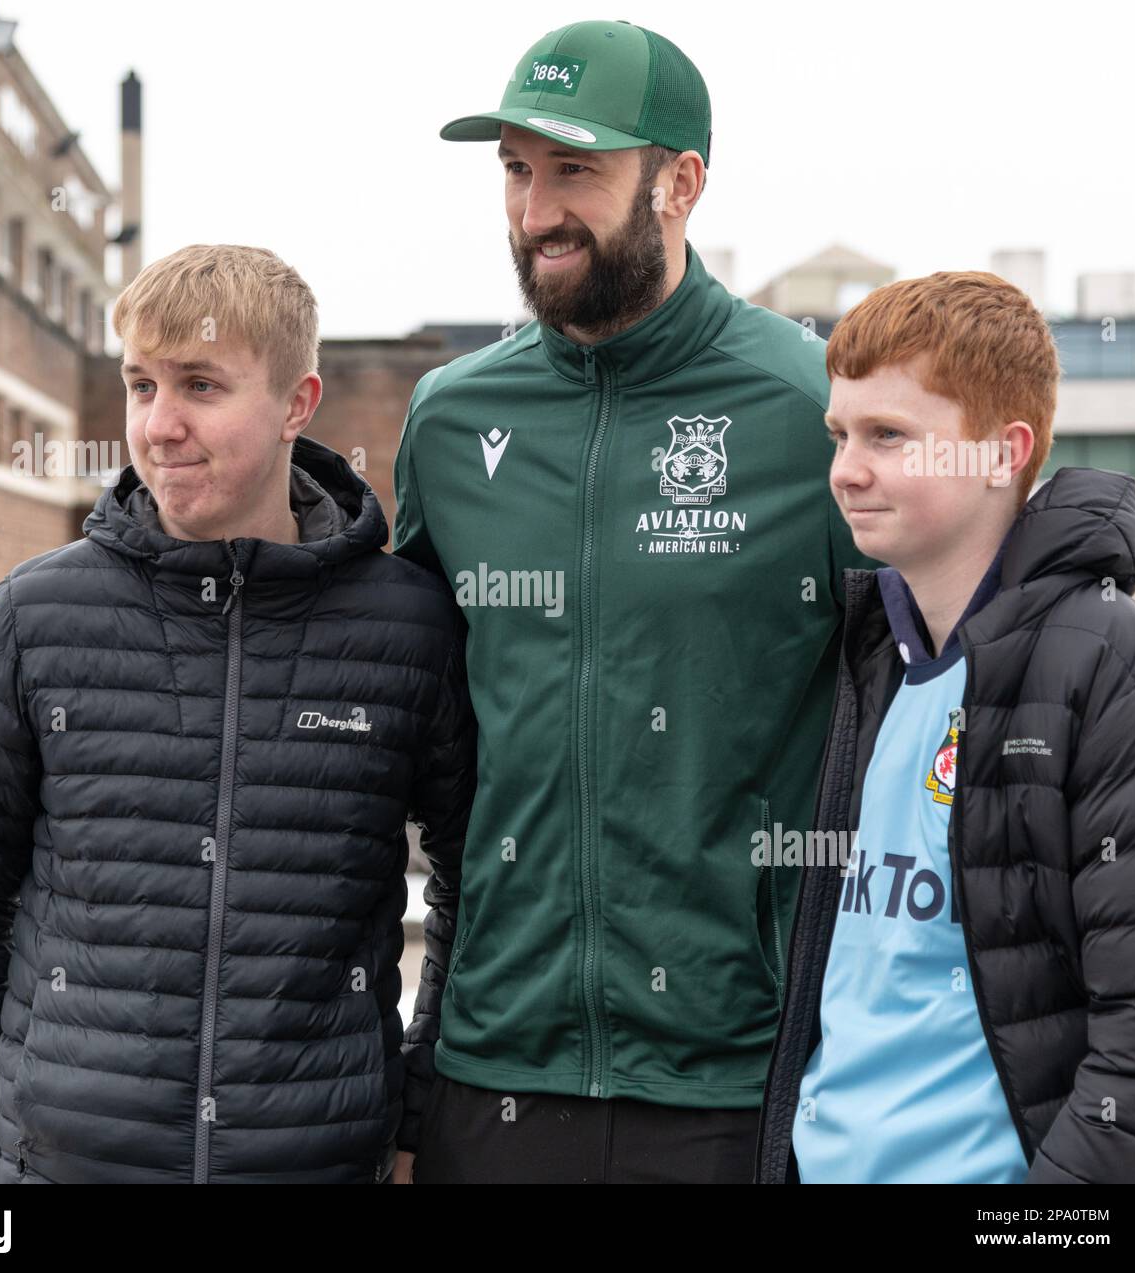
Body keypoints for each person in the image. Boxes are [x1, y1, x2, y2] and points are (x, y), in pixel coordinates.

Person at [391, 19, 875, 1184]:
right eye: (515, 168)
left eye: (575, 170)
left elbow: (919, 700)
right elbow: (408, 725)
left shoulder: (807, 405)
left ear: (681, 182)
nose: (535, 210)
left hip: (736, 1071)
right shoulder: (450, 421)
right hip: (491, 1064)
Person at [0, 244, 476, 1184]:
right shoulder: (34, 616)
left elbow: (471, 885)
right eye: (140, 385)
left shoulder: (405, 627)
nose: (159, 425)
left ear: (298, 402)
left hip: (315, 1162)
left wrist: (416, 1117)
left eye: (201, 385)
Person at [756, 271, 1135, 1184]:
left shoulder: (1108, 663)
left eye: (889, 436)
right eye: (841, 434)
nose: (846, 469)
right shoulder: (869, 657)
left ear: (1002, 453)